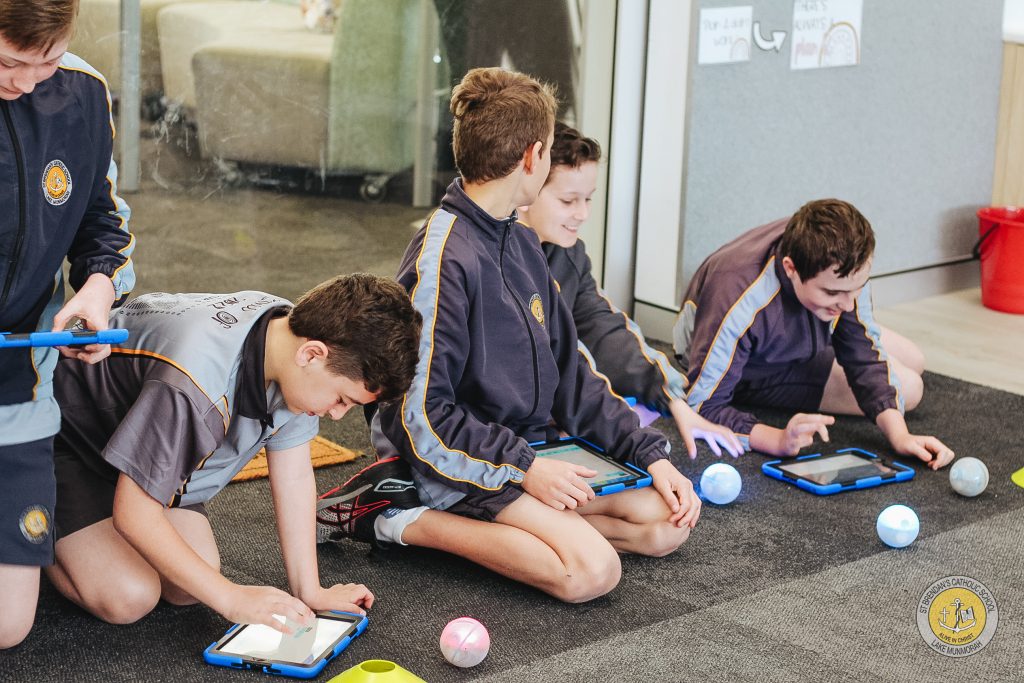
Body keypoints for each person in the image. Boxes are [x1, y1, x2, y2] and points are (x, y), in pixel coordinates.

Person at [318, 68, 700, 604]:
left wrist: (650, 453)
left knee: (664, 525)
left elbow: (573, 375)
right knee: (592, 573)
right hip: (452, 462)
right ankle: (397, 517)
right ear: (533, 156)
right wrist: (524, 468)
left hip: (522, 454)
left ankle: (538, 528)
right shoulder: (443, 256)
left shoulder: (521, 242)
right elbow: (422, 417)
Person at [46, 275, 421, 632]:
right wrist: (231, 598)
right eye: (341, 399)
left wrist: (310, 591)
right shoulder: (194, 382)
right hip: (71, 446)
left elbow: (293, 476)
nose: (338, 415)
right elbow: (134, 515)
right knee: (129, 597)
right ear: (311, 354)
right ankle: (29, 515)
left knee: (188, 586)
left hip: (150, 453)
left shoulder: (290, 340)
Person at [0, 0, 136, 649]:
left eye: (44, 61)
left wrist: (98, 288)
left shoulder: (83, 93)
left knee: (7, 627)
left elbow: (102, 226)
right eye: (7, 63)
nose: (25, 83)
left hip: (16, 399)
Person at [517, 122, 743, 459]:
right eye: (568, 200)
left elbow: (605, 329)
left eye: (588, 199)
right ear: (526, 191)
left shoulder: (568, 254)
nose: (583, 214)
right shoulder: (501, 261)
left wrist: (672, 399)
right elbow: (562, 355)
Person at [673, 199, 954, 468]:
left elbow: (863, 354)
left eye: (856, 288)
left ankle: (821, 319)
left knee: (913, 359)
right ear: (791, 268)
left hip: (799, 325)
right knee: (909, 388)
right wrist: (777, 440)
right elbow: (702, 407)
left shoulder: (842, 265)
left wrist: (900, 437)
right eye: (832, 292)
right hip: (741, 367)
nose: (847, 304)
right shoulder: (738, 298)